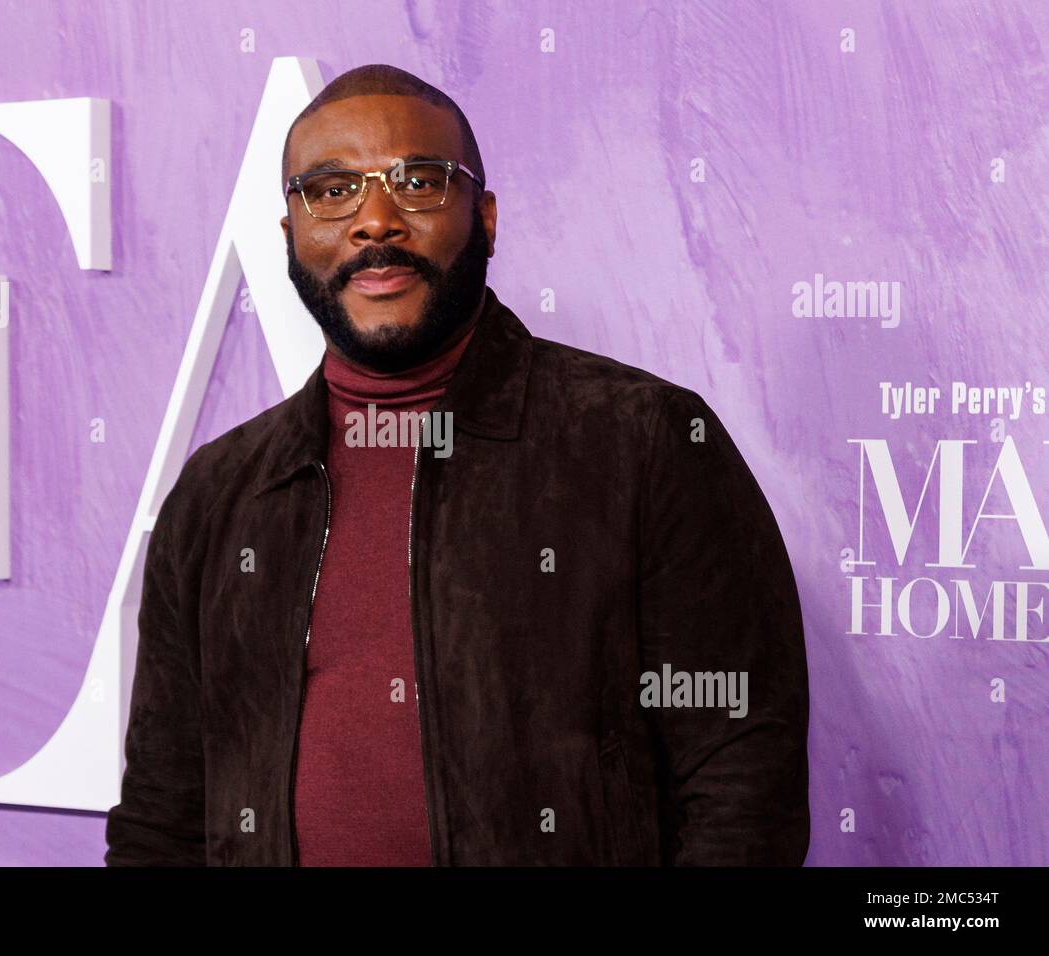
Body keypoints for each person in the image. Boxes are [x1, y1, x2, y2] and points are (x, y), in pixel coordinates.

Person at [105, 64, 809, 866]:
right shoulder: (218, 492)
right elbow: (164, 814)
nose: (374, 221)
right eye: (331, 190)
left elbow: (743, 785)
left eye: (418, 181)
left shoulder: (644, 440)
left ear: (486, 216)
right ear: (290, 234)